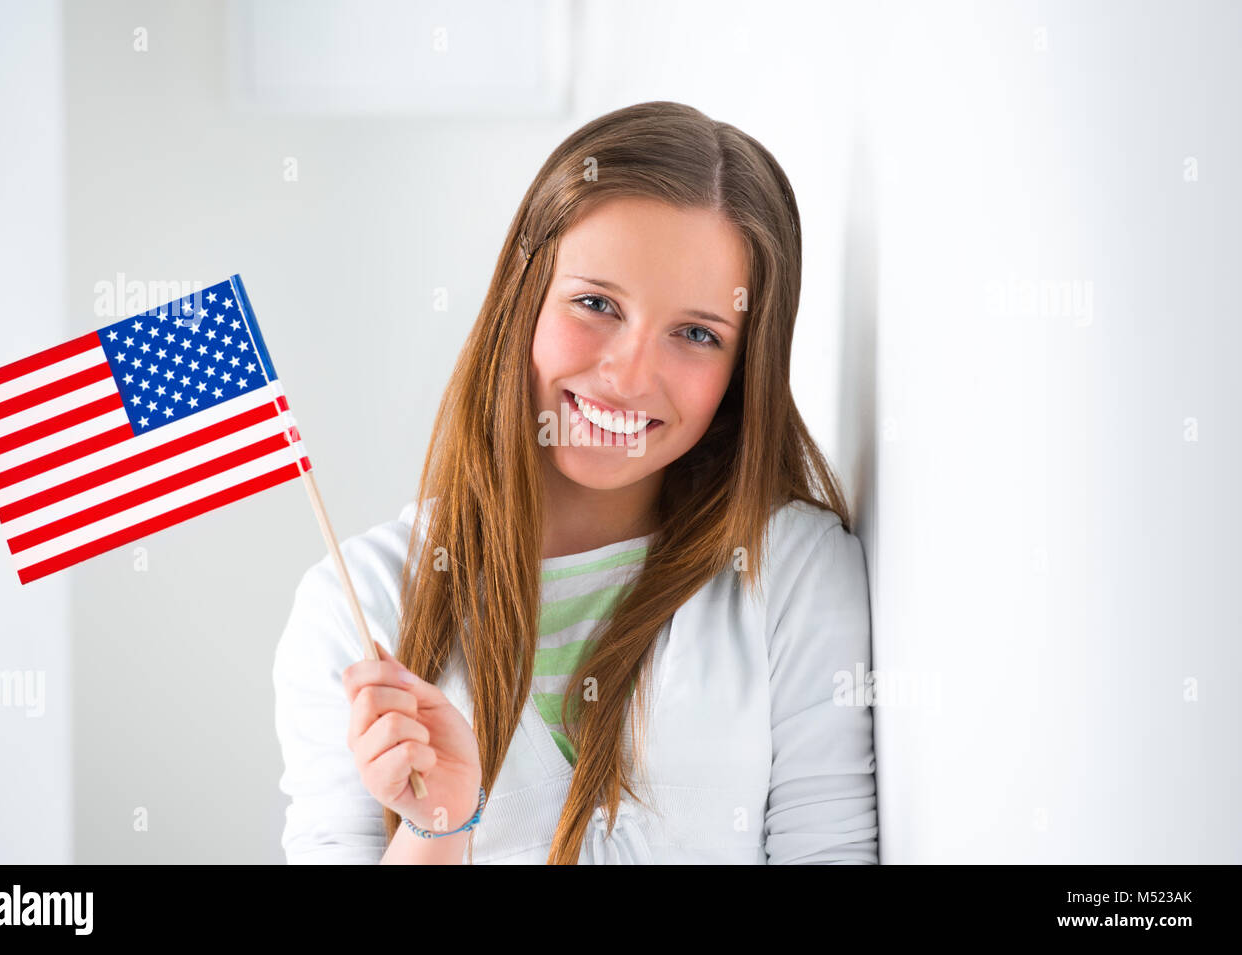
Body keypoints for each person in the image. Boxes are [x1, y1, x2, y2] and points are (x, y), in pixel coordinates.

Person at [272, 100, 878, 864]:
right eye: (596, 304)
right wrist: (436, 829)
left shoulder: (792, 571)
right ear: (521, 302)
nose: (628, 375)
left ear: (743, 366)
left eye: (697, 334)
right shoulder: (356, 605)